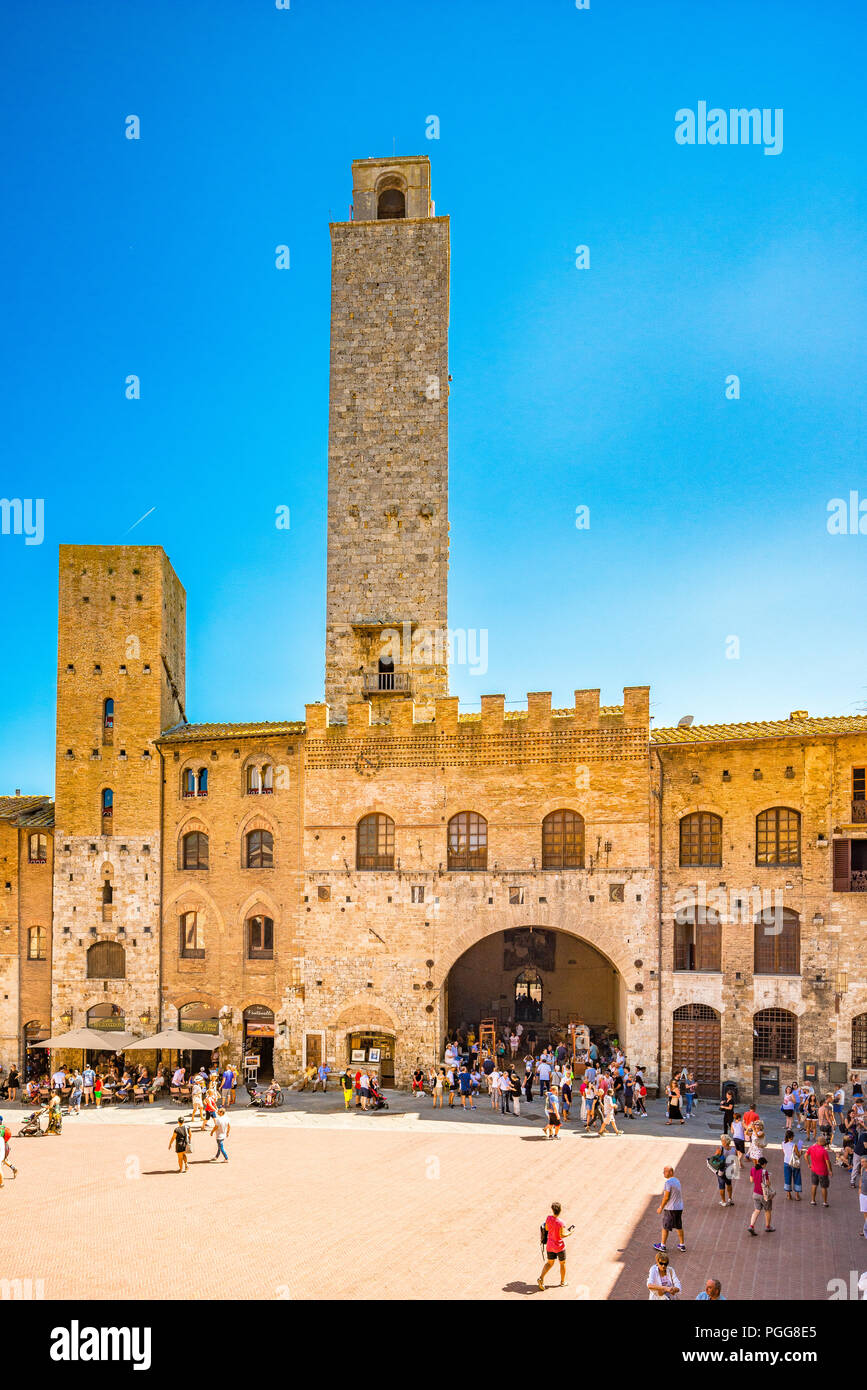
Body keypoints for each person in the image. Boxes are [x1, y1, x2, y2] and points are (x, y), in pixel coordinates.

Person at [537, 1201, 573, 1290]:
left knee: (549, 1263)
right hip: (559, 1246)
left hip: (550, 1245)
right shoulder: (561, 1222)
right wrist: (570, 1233)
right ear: (560, 1210)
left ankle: (541, 1278)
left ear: (552, 1210)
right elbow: (562, 1235)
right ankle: (562, 1282)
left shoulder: (548, 1218)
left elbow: (546, 1228)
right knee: (562, 1263)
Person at [654, 1166, 686, 1252]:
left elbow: (666, 1197)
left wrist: (661, 1207)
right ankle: (682, 1245)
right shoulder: (677, 1181)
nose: (663, 1173)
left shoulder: (668, 1183)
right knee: (679, 1226)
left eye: (665, 1171)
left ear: (671, 1172)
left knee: (665, 1226)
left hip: (670, 1208)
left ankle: (662, 1245)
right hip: (679, 1207)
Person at [748, 1155, 775, 1234]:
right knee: (767, 1210)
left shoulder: (752, 1169)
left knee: (756, 1210)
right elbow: (767, 1183)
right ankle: (768, 1227)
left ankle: (751, 1226)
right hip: (764, 1194)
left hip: (755, 1193)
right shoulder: (764, 1172)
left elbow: (751, 1180)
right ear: (763, 1164)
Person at [708, 1135, 736, 1207]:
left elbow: (715, 1157)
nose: (721, 1142)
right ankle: (730, 1199)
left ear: (724, 1142)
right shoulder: (733, 1149)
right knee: (729, 1184)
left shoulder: (720, 1149)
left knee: (721, 1185)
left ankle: (723, 1201)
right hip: (730, 1169)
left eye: (722, 1140)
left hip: (722, 1169)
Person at [807, 1136, 832, 1207]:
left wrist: (809, 1164)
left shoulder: (811, 1148)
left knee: (814, 1185)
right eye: (824, 1141)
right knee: (824, 1187)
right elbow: (827, 1162)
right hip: (823, 1171)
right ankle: (825, 1202)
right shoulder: (824, 1151)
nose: (825, 1142)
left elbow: (806, 1155)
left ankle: (813, 1200)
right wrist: (830, 1170)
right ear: (821, 1142)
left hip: (814, 1170)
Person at [782, 1129, 803, 1201]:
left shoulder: (783, 1143)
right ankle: (797, 1196)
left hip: (786, 1162)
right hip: (794, 1163)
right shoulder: (794, 1145)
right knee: (797, 1178)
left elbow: (784, 1152)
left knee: (787, 1178)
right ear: (792, 1137)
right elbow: (798, 1155)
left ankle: (788, 1195)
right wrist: (801, 1151)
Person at [0, 1116, 16, 1180]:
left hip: (2, 1147)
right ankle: (14, 1169)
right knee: (4, 1159)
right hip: (6, 1146)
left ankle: (1, 1182)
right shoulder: (4, 1128)